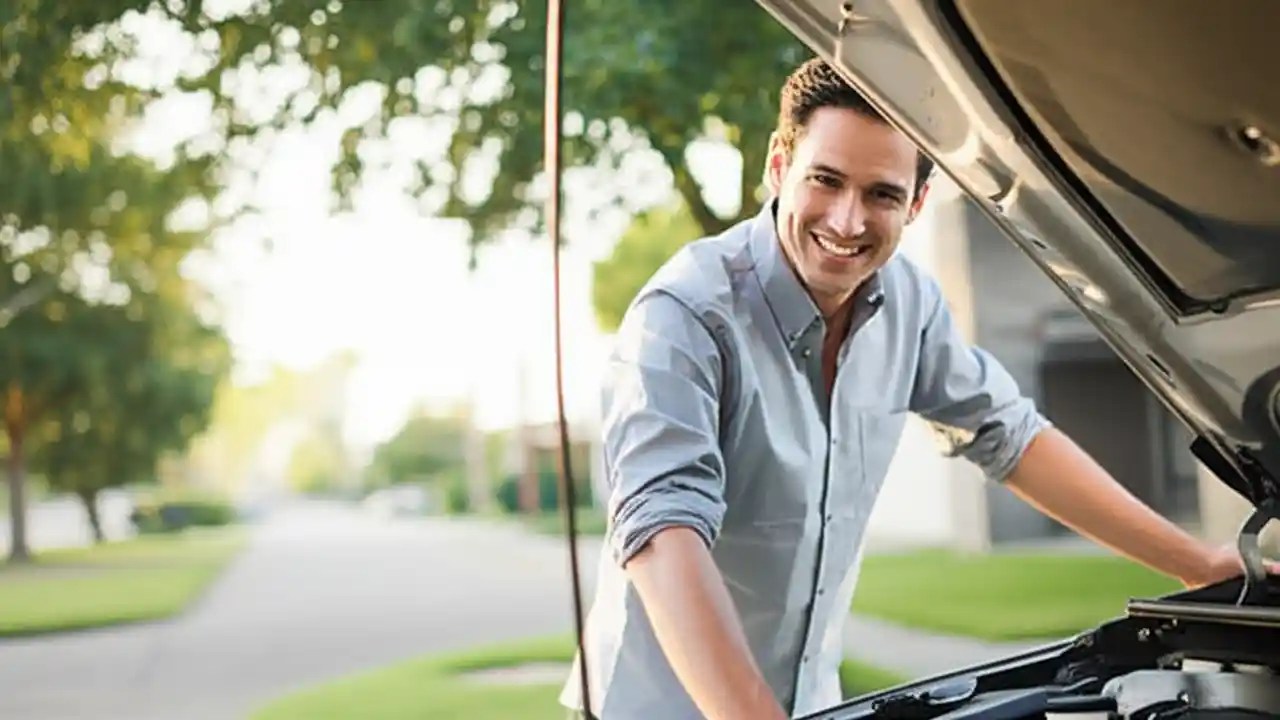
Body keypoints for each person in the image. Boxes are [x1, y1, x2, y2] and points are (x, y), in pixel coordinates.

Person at [559, 57, 1255, 720]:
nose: (847, 221)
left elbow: (1009, 438)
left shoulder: (909, 304)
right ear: (779, 165)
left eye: (882, 194)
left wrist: (1197, 564)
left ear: (919, 202)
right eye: (824, 180)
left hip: (810, 700)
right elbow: (662, 529)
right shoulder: (684, 316)